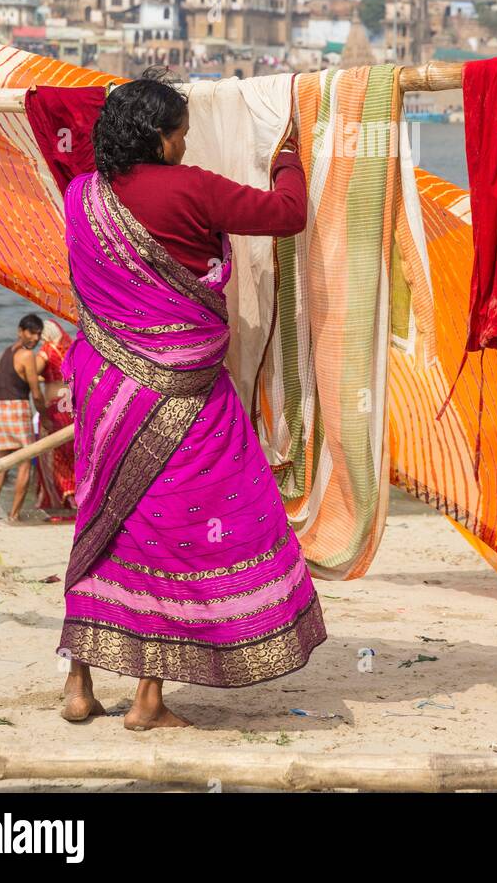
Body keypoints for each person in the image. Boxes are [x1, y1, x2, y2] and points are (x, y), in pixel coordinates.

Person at [57, 71, 326, 731]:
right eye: (181, 132)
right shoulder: (193, 189)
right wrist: (287, 156)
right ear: (162, 138)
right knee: (180, 532)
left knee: (103, 518)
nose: (186, 142)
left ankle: (79, 682)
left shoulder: (79, 196)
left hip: (102, 389)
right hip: (182, 398)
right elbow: (287, 214)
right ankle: (148, 697)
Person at [0, 313, 48, 522]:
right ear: (20, 331)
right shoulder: (27, 355)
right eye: (31, 333)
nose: (35, 338)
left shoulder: (5, 353)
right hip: (17, 408)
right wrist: (45, 414)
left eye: (38, 335)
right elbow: (36, 392)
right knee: (24, 462)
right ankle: (13, 515)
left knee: (2, 461)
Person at [35, 319, 76, 514]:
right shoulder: (69, 347)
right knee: (73, 452)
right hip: (70, 405)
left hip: (54, 407)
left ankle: (59, 499)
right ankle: (77, 493)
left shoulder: (47, 349)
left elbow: (32, 372)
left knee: (53, 454)